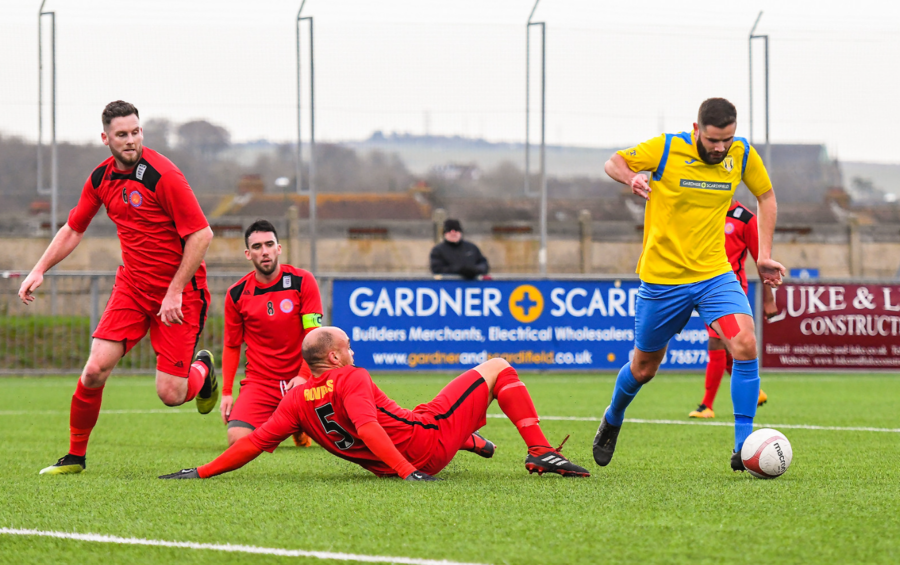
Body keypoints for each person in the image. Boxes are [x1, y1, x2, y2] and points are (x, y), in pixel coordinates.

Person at [18, 100, 217, 475]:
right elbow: (74, 228)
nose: (131, 140)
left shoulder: (164, 176)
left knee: (171, 394)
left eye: (136, 132)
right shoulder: (100, 178)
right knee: (94, 370)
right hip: (132, 287)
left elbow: (201, 234)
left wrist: (174, 290)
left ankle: (203, 371)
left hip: (180, 292)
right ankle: (75, 456)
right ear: (105, 138)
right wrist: (39, 269)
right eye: (122, 134)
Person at [592, 98, 785, 473]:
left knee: (745, 344)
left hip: (714, 275)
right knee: (644, 368)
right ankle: (612, 417)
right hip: (663, 281)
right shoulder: (666, 148)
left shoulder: (741, 154)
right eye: (713, 140)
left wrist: (763, 255)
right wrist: (630, 177)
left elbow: (766, 197)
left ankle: (743, 447)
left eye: (726, 140)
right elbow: (613, 161)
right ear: (696, 130)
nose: (720, 148)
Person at [159, 327, 589, 481]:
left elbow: (253, 444)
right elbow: (366, 427)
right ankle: (539, 451)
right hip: (423, 447)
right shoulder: (352, 376)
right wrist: (409, 473)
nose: (352, 349)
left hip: (401, 447)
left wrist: (202, 471)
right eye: (347, 345)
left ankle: (470, 441)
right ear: (333, 358)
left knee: (418, 409)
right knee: (497, 366)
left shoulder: (294, 401)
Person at [221, 219, 323, 448]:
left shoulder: (302, 281)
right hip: (261, 382)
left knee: (343, 436)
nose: (264, 251)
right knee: (237, 440)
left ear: (279, 248)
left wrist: (304, 375)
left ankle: (297, 422)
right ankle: (291, 422)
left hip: (304, 378)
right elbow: (231, 345)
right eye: (257, 247)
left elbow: (314, 334)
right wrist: (227, 392)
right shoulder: (236, 294)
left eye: (269, 244)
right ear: (248, 254)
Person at [689, 199, 779, 419]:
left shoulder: (745, 219)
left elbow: (761, 261)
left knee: (716, 341)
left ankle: (706, 406)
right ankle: (754, 392)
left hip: (730, 293)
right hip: (704, 290)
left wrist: (768, 298)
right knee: (729, 346)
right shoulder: (704, 210)